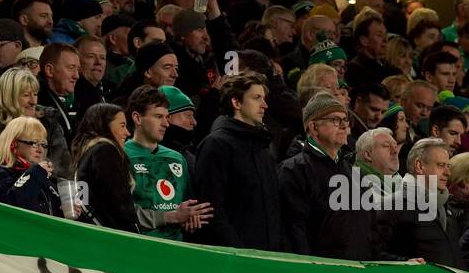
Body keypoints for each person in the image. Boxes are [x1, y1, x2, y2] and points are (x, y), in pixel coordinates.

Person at [279, 90, 376, 258]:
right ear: (313, 127)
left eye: (345, 120)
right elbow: (294, 230)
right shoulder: (293, 170)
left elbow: (369, 231)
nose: (345, 126)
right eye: (335, 120)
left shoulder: (356, 175)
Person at [194, 71, 282, 251]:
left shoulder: (264, 148)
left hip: (269, 258)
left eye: (263, 98)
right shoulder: (216, 145)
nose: (264, 105)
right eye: (256, 98)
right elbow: (213, 211)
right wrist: (238, 252)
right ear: (236, 102)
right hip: (235, 260)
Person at [123, 85, 211, 240]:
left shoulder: (177, 158)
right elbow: (120, 213)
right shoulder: (121, 155)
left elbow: (185, 207)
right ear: (137, 118)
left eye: (167, 117)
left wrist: (190, 218)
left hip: (176, 248)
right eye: (158, 116)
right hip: (138, 247)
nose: (166, 124)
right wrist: (172, 216)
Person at [381, 136, 462, 267]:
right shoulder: (394, 206)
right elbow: (374, 253)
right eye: (441, 165)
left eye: (448, 166)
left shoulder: (447, 209)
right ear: (419, 166)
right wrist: (405, 264)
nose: (448, 172)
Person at [0, 65, 73, 179]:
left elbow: (64, 173)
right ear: (8, 98)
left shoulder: (49, 124)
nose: (33, 101)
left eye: (35, 94)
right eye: (26, 95)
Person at [70, 103, 136, 231]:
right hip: (114, 238)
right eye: (122, 126)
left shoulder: (86, 154)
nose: (127, 133)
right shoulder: (106, 151)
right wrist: (135, 233)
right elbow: (118, 202)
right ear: (104, 125)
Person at [0, 115, 62, 216]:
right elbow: (10, 207)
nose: (40, 150)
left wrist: (65, 212)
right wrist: (36, 173)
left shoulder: (43, 178)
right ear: (13, 145)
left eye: (43, 144)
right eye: (34, 143)